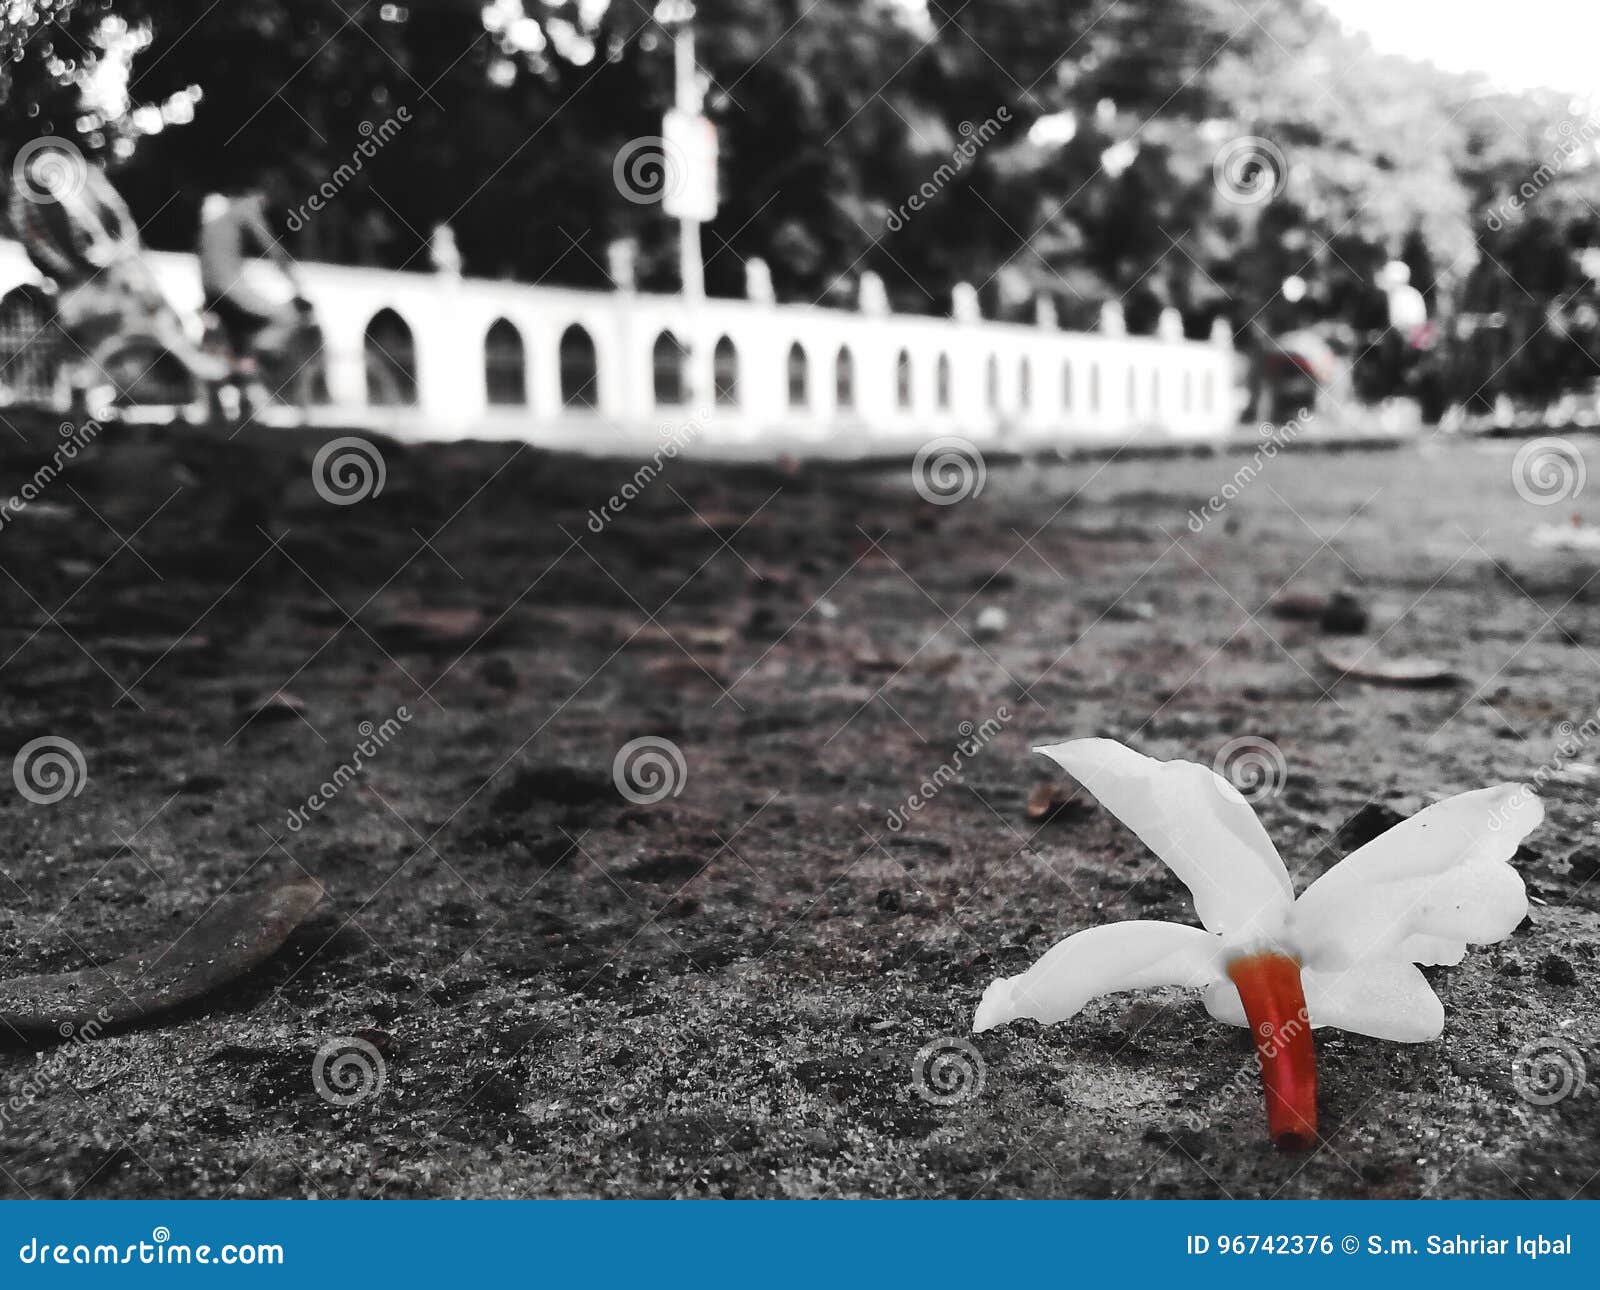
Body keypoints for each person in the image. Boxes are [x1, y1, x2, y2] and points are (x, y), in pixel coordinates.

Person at [5, 142, 225, 395]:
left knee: (151, 318)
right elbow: (69, 242)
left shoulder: (53, 186)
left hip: (89, 291)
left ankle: (91, 384)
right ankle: (194, 372)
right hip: (96, 292)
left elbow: (52, 246)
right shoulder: (49, 185)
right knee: (151, 319)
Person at [197, 177, 311, 373]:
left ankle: (241, 371)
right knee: (288, 317)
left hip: (210, 292)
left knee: (240, 336)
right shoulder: (246, 208)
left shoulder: (218, 219)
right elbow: (271, 246)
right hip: (229, 289)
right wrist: (296, 283)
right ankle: (255, 358)